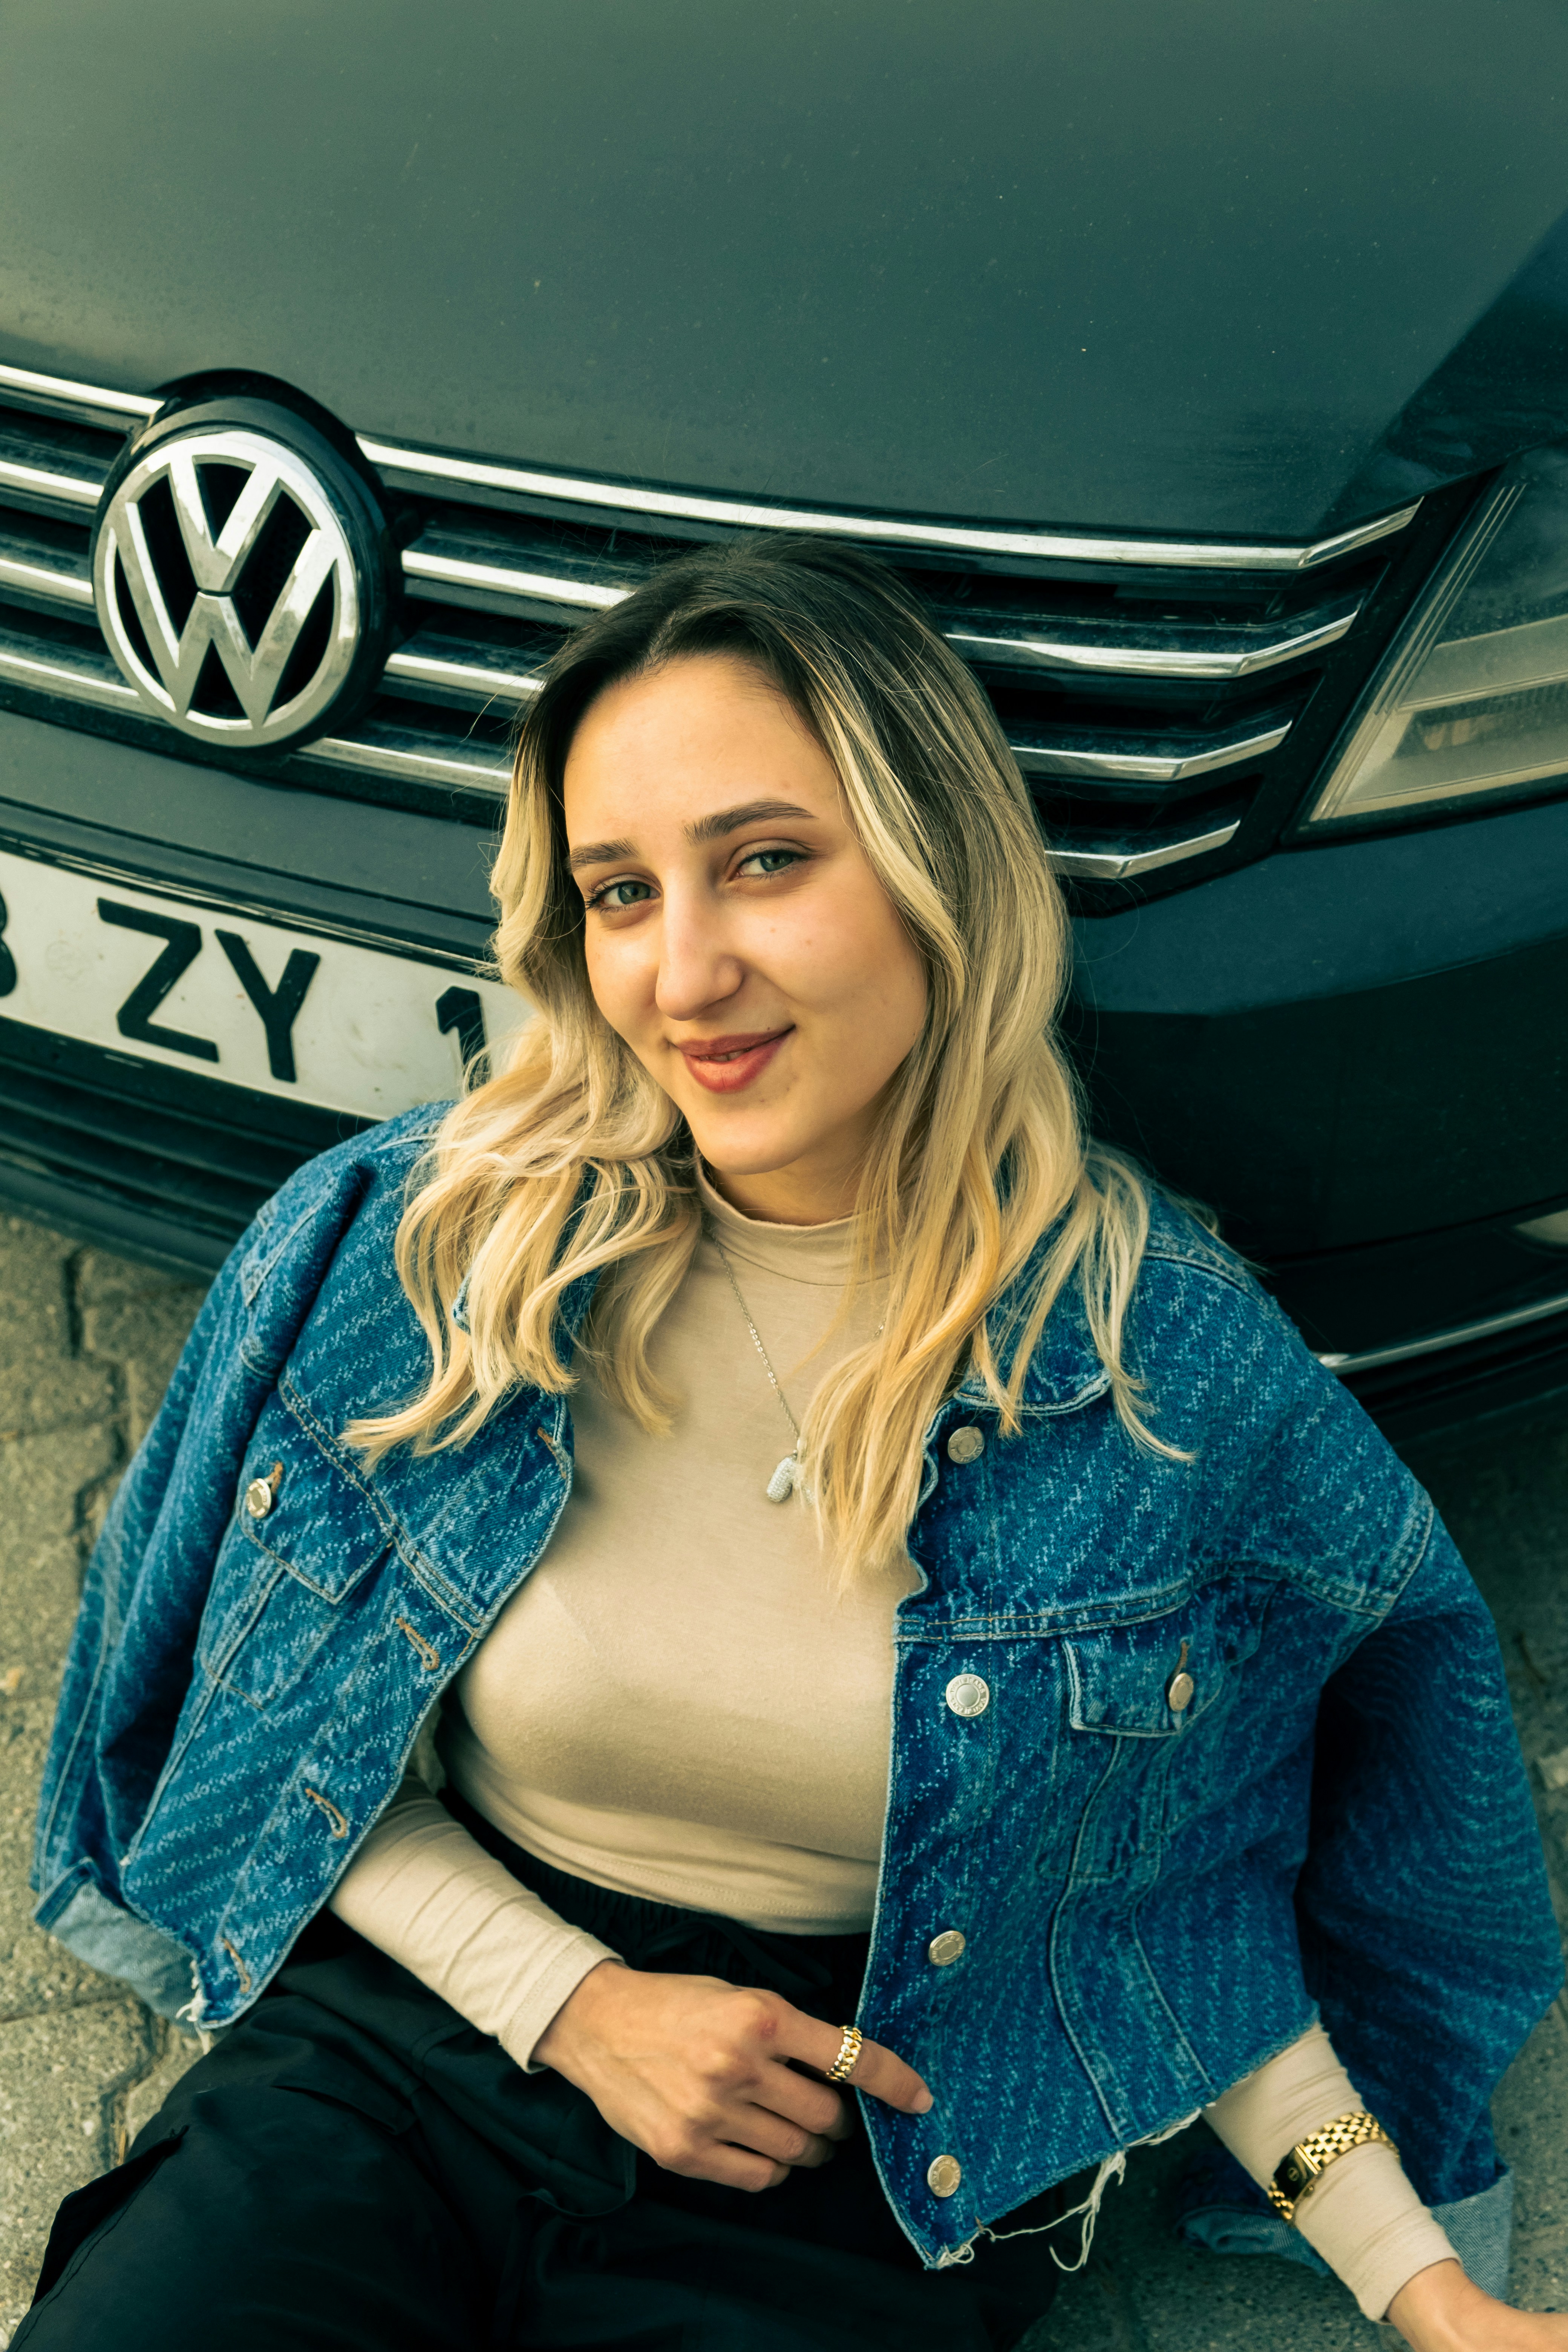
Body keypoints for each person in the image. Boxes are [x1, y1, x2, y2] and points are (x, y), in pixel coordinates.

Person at [18, 537, 1566, 2351]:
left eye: (762, 862)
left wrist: (1424, 2286)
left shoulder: (1169, 1374)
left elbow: (1177, 1929)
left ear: (934, 877)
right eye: (617, 892)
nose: (682, 976)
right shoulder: (427, 1250)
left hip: (861, 2146)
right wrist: (575, 2002)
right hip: (405, 2046)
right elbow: (265, 1747)